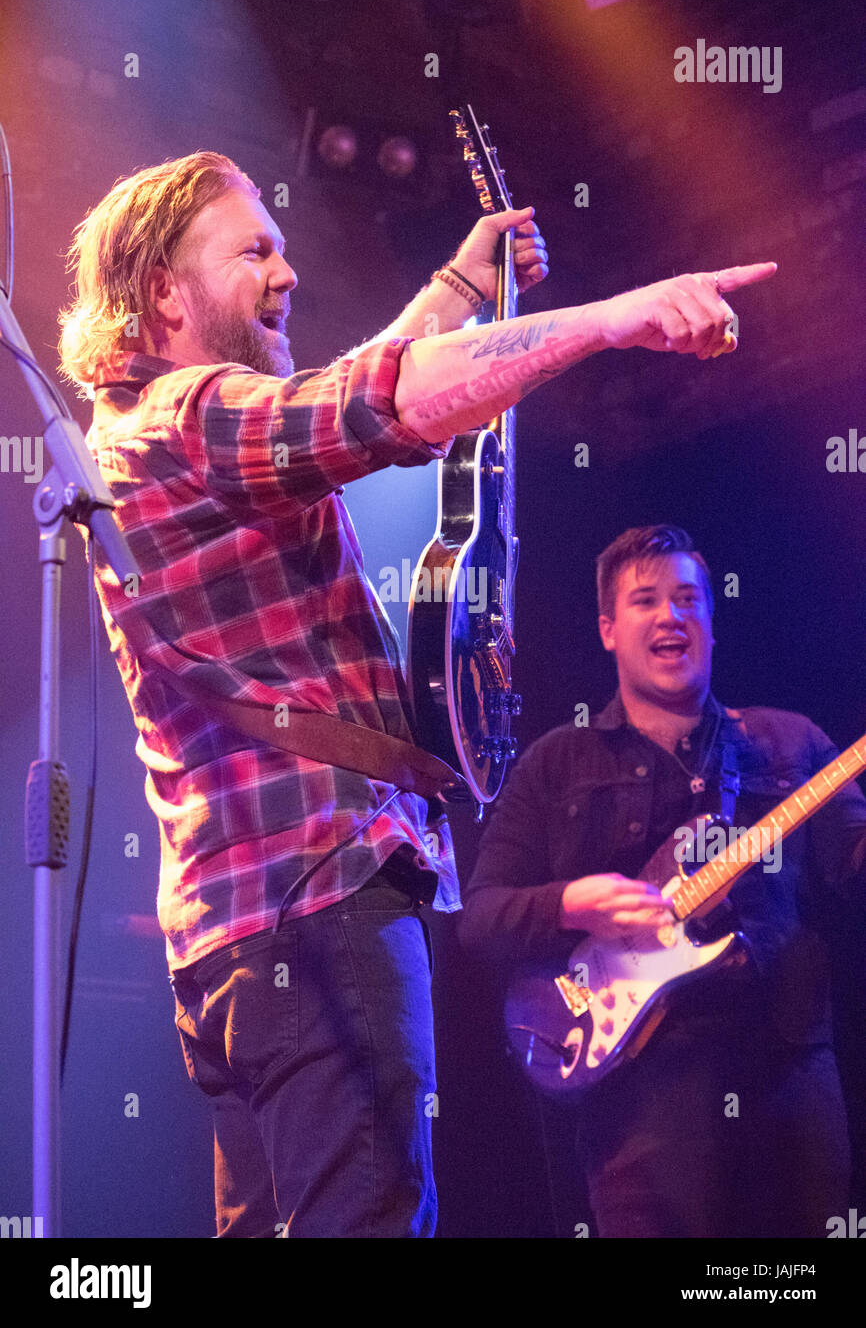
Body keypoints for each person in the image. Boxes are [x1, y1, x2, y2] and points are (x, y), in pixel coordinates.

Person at [57, 149, 773, 1237]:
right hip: (317, 904)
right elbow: (366, 404)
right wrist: (606, 320)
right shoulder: (185, 417)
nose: (286, 271)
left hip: (235, 942)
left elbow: (340, 393)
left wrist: (458, 283)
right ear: (163, 289)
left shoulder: (150, 437)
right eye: (253, 250)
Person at [459, 524, 866, 1238]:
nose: (671, 616)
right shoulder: (559, 763)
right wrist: (570, 905)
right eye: (646, 601)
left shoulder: (789, 742)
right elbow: (480, 918)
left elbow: (854, 867)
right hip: (641, 1097)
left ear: (711, 619)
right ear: (609, 630)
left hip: (789, 1072)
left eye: (688, 599)